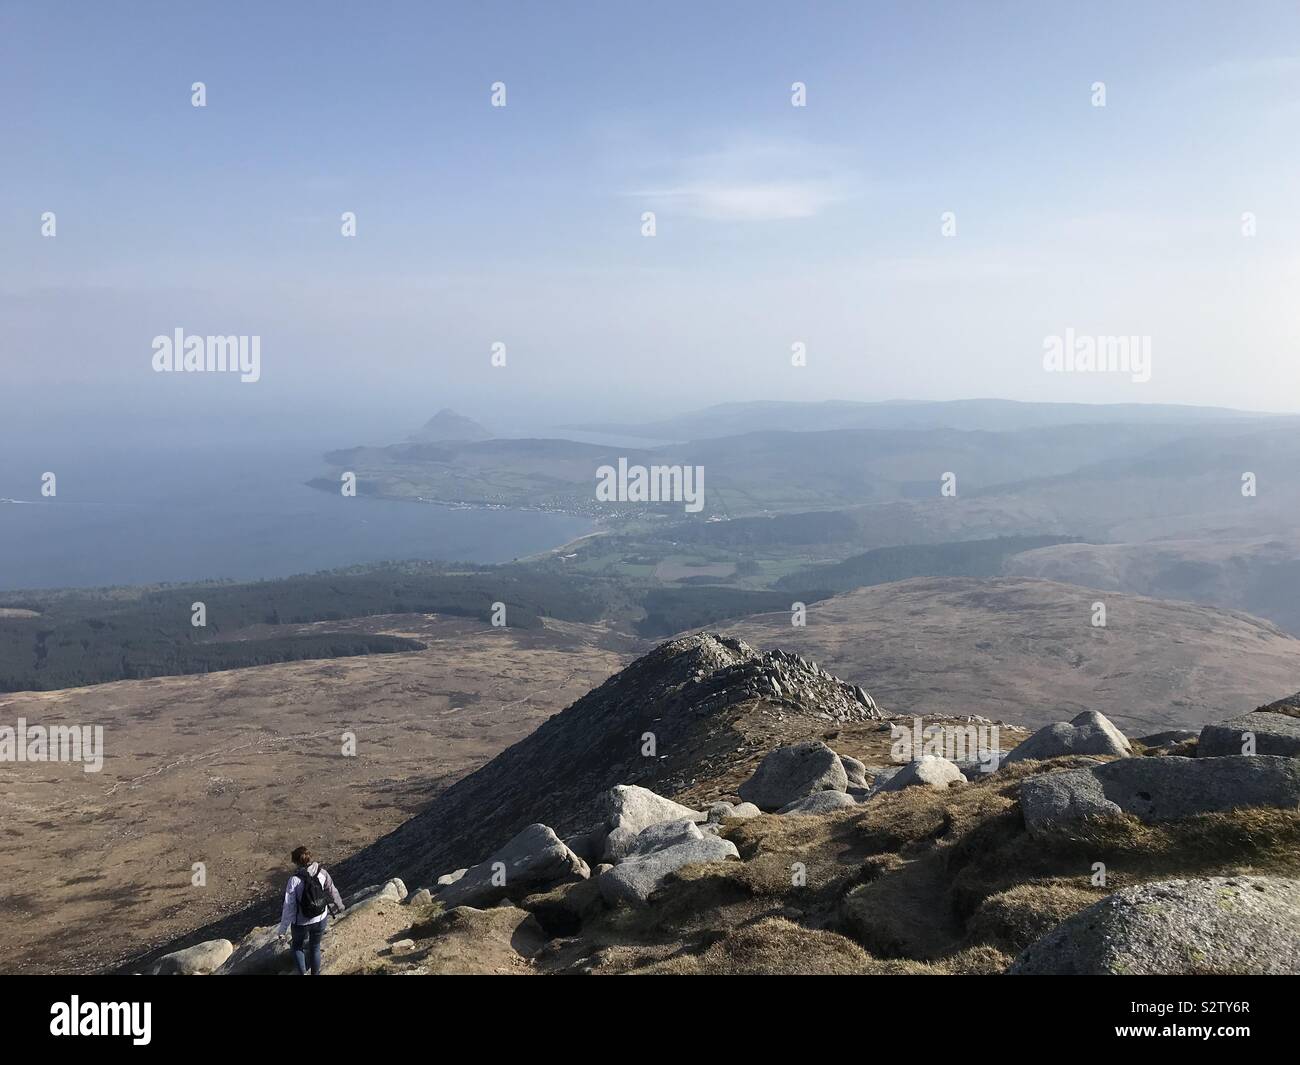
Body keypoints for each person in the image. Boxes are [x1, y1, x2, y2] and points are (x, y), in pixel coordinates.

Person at [276, 846, 345, 975]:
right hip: (320, 917)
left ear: (295, 862)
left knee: (297, 946)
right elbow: (332, 890)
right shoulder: (322, 872)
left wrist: (283, 929)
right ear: (309, 857)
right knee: (315, 947)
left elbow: (289, 906)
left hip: (301, 922)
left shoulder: (294, 880)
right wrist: (340, 905)